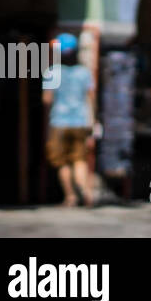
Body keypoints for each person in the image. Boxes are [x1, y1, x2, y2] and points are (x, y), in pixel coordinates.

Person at [42, 33, 96, 207]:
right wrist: (93, 121)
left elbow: (47, 100)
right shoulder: (84, 72)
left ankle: (70, 196)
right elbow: (91, 98)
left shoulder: (52, 72)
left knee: (62, 162)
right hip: (80, 121)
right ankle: (85, 192)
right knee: (80, 160)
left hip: (59, 121)